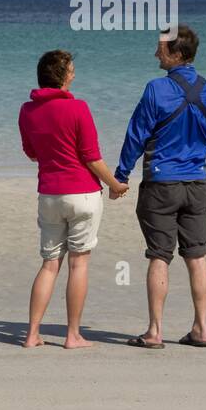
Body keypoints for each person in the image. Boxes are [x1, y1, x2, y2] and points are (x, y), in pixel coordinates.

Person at [114, 25, 206, 348]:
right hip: (196, 181)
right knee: (197, 255)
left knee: (159, 256)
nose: (155, 53)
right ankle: (201, 328)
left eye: (160, 48)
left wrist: (121, 175)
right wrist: (193, 155)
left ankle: (154, 331)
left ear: (176, 54)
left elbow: (137, 134)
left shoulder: (156, 89)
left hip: (162, 182)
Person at [18, 49, 128, 349]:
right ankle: (73, 335)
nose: (75, 74)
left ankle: (31, 334)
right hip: (82, 194)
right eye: (72, 70)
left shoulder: (27, 111)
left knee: (49, 264)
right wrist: (115, 184)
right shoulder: (78, 108)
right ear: (63, 76)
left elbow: (31, 153)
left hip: (50, 194)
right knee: (78, 265)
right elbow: (92, 158)